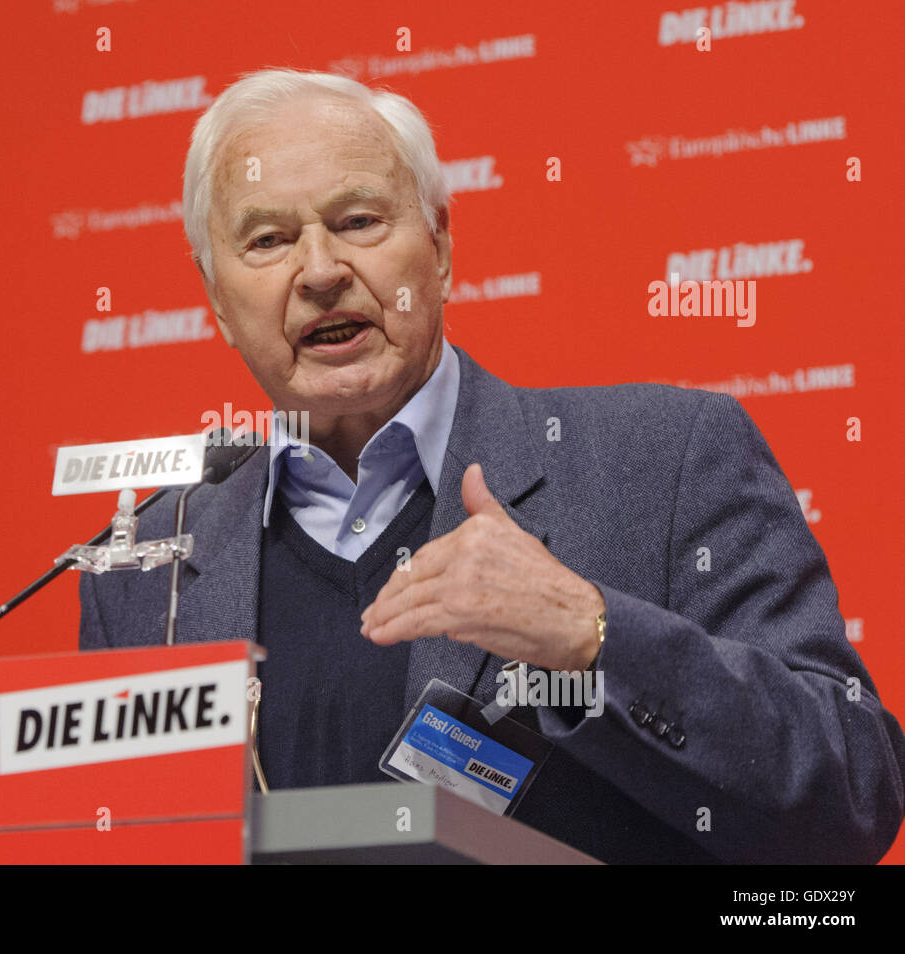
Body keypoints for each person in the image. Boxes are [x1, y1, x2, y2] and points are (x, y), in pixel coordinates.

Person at [78, 68, 905, 863]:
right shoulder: (149, 568)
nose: (322, 271)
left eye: (360, 221)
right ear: (217, 299)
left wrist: (595, 637)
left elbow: (855, 792)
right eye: (268, 240)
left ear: (439, 245)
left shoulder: (665, 459)